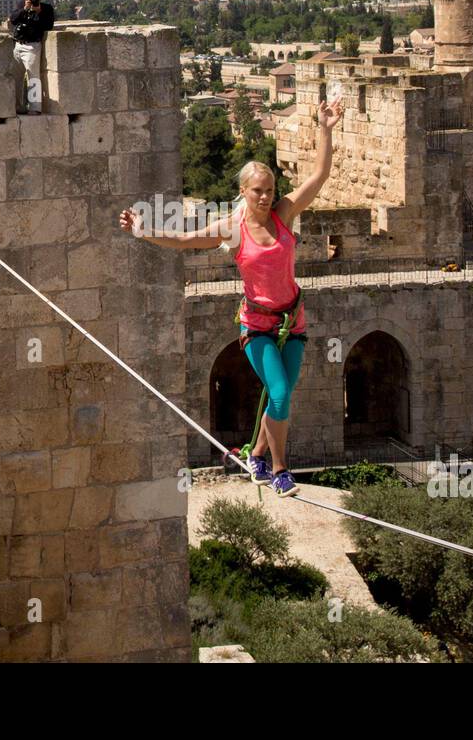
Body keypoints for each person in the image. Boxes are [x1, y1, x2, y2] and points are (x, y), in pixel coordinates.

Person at [119, 96, 344, 497]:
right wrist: (143, 229)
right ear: (243, 190)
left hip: (293, 321)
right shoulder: (232, 227)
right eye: (258, 190)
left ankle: (255, 453)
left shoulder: (284, 215)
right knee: (277, 393)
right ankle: (278, 470)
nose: (265, 197)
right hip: (257, 325)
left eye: (270, 189)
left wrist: (326, 129)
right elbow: (185, 240)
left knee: (283, 396)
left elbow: (320, 176)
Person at [8, 0, 55, 115]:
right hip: (18, 45)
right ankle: (18, 106)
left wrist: (39, 12)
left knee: (33, 77)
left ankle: (35, 107)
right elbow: (13, 19)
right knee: (16, 77)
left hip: (32, 46)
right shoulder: (21, 5)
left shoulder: (46, 9)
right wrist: (25, 9)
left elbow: (48, 25)